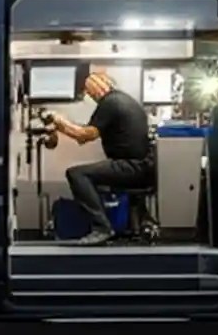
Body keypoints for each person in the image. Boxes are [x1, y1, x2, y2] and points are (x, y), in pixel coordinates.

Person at [48, 72, 155, 246]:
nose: (92, 95)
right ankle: (131, 223)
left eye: (91, 91)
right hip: (142, 166)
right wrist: (66, 126)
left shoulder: (110, 103)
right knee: (92, 174)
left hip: (132, 167)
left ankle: (102, 228)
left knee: (77, 174)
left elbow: (84, 135)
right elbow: (88, 131)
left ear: (102, 86)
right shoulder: (125, 100)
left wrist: (59, 122)